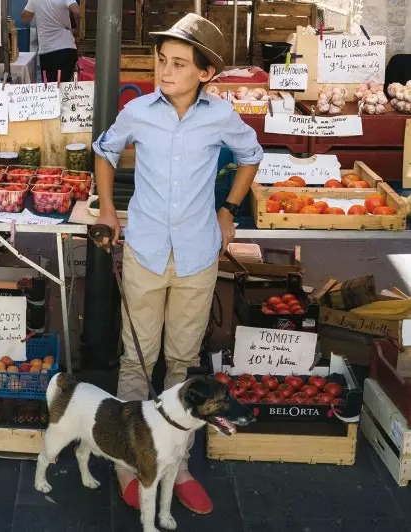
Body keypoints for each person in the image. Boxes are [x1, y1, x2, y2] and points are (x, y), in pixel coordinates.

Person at [92, 14, 262, 514]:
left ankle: (178, 464)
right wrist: (107, 208)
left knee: (183, 365)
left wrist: (227, 208)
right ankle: (130, 462)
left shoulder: (220, 116)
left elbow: (250, 155)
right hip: (144, 248)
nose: (165, 72)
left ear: (206, 73)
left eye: (179, 64)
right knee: (135, 360)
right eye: (161, 61)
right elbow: (104, 151)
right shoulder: (139, 111)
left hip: (196, 252)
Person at [21, 0, 81, 83]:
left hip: (47, 51)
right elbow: (77, 11)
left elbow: (25, 19)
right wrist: (77, 30)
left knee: (50, 89)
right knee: (67, 87)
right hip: (67, 47)